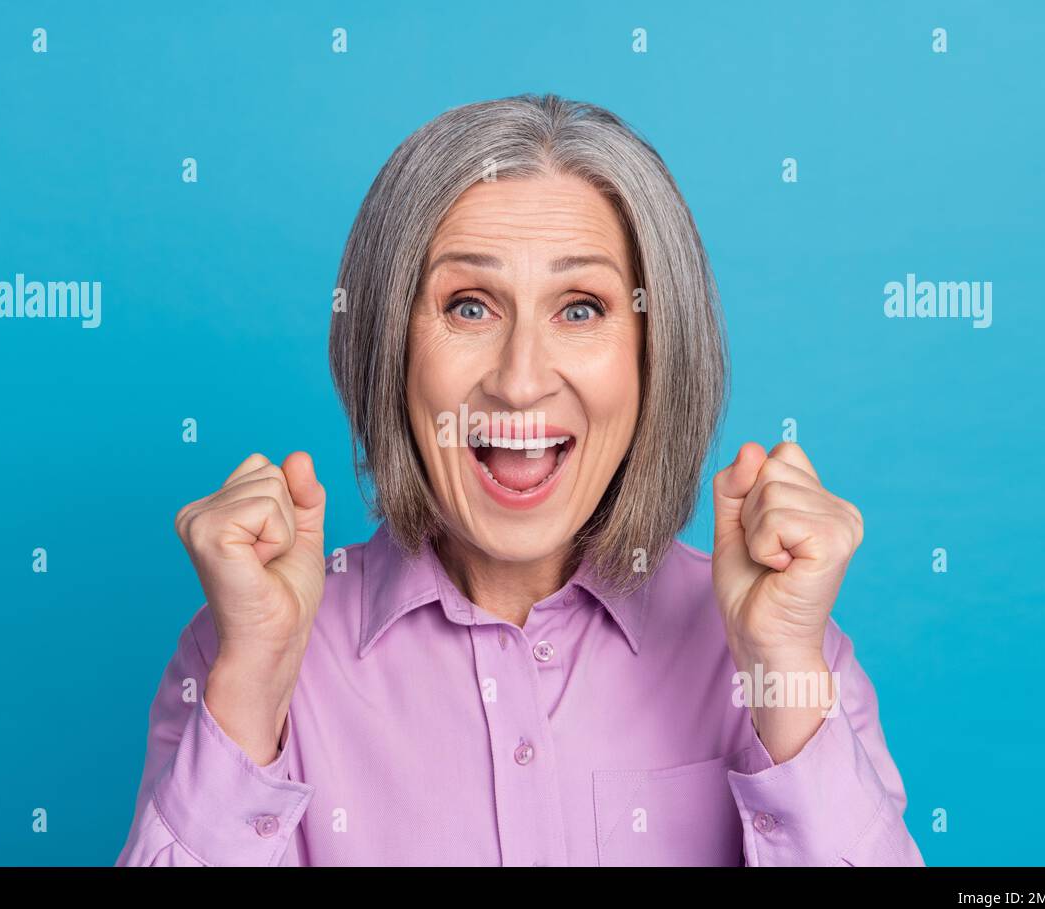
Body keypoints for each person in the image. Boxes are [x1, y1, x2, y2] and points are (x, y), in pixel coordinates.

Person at [116, 93, 924, 866]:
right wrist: (253, 684)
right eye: (469, 306)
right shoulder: (240, 649)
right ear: (387, 349)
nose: (521, 379)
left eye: (580, 308)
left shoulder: (780, 652)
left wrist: (780, 668)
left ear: (653, 357)